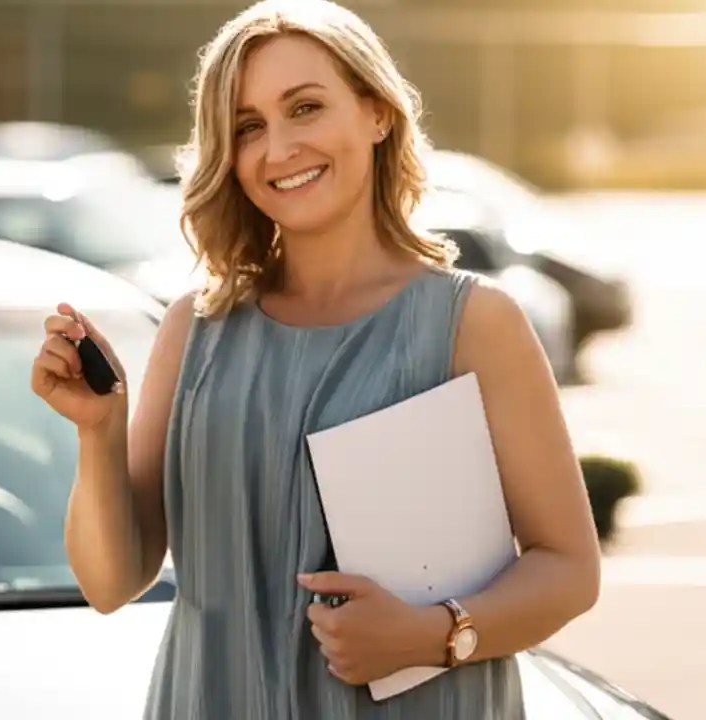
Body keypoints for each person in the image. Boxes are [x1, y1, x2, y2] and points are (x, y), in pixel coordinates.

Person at [30, 1, 601, 717]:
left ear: (376, 112)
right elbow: (112, 582)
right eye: (248, 127)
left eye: (305, 108)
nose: (279, 149)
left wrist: (433, 635)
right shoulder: (194, 331)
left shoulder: (474, 323)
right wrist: (98, 430)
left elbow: (570, 570)